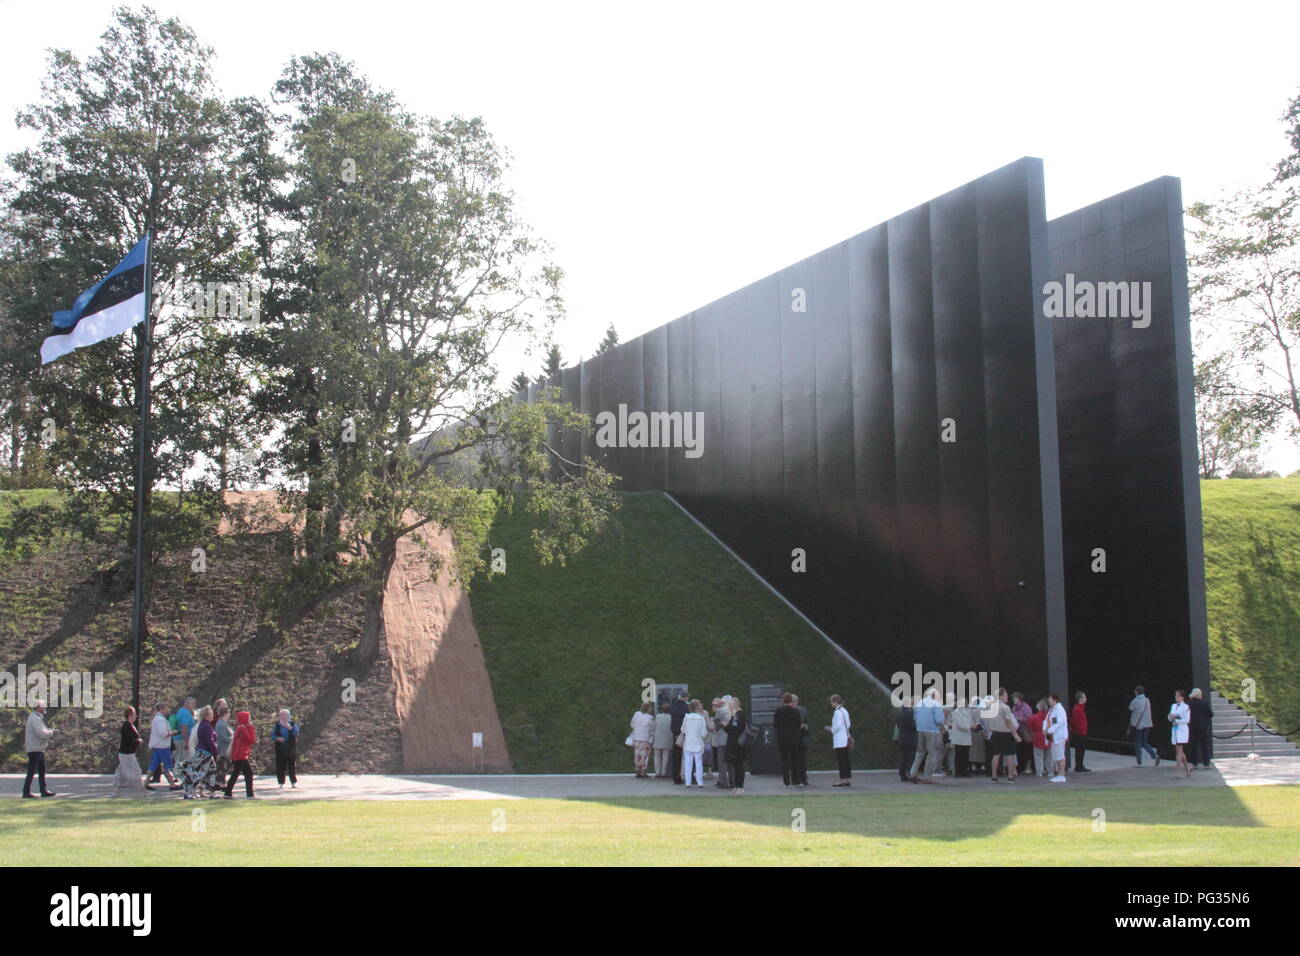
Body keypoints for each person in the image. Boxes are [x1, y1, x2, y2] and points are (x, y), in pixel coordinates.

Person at [181, 705, 220, 799]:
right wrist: (216, 752)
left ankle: (212, 793)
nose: (212, 716)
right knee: (198, 773)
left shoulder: (203, 725)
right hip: (204, 753)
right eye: (211, 714)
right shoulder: (206, 726)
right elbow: (209, 741)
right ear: (206, 715)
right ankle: (189, 793)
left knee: (211, 772)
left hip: (205, 753)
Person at [983, 688, 1021, 783]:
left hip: (995, 733)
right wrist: (1015, 735)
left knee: (996, 755)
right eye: (1005, 695)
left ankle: (994, 777)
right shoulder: (1005, 707)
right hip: (1006, 733)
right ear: (1000, 696)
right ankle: (1010, 776)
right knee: (1009, 755)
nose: (1007, 697)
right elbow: (1008, 722)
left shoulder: (991, 707)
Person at [909, 688, 946, 783]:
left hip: (920, 730)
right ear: (934, 695)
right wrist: (943, 726)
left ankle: (913, 773)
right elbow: (939, 719)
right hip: (931, 731)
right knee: (931, 753)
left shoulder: (920, 702)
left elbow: (914, 717)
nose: (939, 697)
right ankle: (927, 777)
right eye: (938, 695)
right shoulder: (935, 704)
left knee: (920, 753)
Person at [22, 699, 56, 798]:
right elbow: (42, 733)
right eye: (43, 706)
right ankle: (26, 792)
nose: (45, 707)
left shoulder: (35, 718)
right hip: (35, 749)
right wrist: (51, 732)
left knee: (41, 770)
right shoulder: (35, 719)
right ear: (38, 708)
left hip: (37, 748)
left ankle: (43, 790)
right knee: (32, 771)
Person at [145, 703, 180, 791]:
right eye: (166, 709)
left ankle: (146, 782)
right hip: (163, 747)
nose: (167, 711)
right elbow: (164, 734)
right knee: (168, 765)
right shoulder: (160, 720)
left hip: (157, 746)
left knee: (154, 765)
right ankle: (172, 784)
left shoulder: (156, 719)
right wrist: (173, 732)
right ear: (162, 709)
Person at [112, 706, 146, 797]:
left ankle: (115, 792)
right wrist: (138, 741)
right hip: (127, 754)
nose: (136, 716)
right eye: (134, 714)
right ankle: (143, 791)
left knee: (120, 773)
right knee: (136, 771)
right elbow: (129, 740)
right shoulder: (127, 726)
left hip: (127, 753)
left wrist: (137, 741)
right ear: (130, 715)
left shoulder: (131, 725)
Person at [224, 710, 257, 799]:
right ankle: (250, 794)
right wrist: (251, 728)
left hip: (238, 755)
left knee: (235, 773)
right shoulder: (242, 727)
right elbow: (250, 740)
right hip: (240, 755)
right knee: (248, 774)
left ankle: (228, 792)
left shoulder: (241, 727)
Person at [774, 692, 806, 787]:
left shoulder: (778, 711)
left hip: (783, 738)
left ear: (783, 701)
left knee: (785, 760)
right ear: (791, 701)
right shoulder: (796, 711)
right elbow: (799, 724)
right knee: (796, 759)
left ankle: (787, 782)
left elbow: (776, 725)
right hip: (794, 738)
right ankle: (797, 781)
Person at [1129, 685, 1160, 766]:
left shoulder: (1135, 701)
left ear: (1136, 692)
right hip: (1148, 724)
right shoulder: (1147, 700)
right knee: (1144, 742)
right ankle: (1154, 756)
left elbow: (1130, 708)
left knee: (1138, 743)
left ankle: (1139, 763)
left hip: (1138, 725)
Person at [680, 699, 709, 787]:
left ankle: (688, 782)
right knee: (699, 763)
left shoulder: (686, 717)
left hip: (688, 743)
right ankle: (700, 782)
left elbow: (682, 730)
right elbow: (704, 733)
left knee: (688, 762)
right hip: (698, 743)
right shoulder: (701, 718)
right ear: (697, 708)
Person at [826, 694, 852, 786]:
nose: (831, 704)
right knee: (846, 759)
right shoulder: (844, 710)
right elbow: (848, 724)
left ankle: (842, 780)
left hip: (840, 739)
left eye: (831, 702)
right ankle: (847, 779)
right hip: (845, 738)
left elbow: (838, 726)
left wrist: (831, 729)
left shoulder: (837, 712)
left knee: (841, 760)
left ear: (835, 702)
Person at [723, 698, 748, 794]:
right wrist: (725, 726)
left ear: (735, 705)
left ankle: (740, 787)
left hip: (739, 745)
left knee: (739, 766)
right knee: (735, 766)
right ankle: (737, 787)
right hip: (733, 744)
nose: (728, 707)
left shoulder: (741, 715)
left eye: (729, 705)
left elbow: (738, 730)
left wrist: (728, 726)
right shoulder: (733, 715)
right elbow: (730, 730)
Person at [271, 708, 300, 789]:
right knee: (280, 766)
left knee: (291, 766)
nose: (283, 717)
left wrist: (289, 727)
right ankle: (281, 782)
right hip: (280, 748)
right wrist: (278, 738)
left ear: (288, 716)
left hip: (291, 748)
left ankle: (293, 782)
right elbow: (273, 735)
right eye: (281, 715)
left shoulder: (292, 724)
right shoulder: (277, 725)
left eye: (285, 715)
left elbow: (296, 733)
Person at [947, 697, 974, 777]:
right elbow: (959, 724)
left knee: (965, 755)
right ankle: (958, 772)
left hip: (967, 736)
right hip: (959, 736)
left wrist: (973, 725)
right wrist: (969, 726)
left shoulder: (968, 711)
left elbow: (970, 720)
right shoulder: (956, 712)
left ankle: (965, 771)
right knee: (958, 755)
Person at [1045, 692, 1069, 783]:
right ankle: (1058, 774)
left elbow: (1060, 723)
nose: (1048, 700)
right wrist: (1044, 729)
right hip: (1053, 737)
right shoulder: (1051, 709)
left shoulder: (1059, 709)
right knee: (1055, 756)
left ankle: (1062, 775)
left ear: (1055, 700)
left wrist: (1049, 730)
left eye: (1050, 699)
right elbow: (1046, 720)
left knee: (1060, 756)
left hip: (1059, 737)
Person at [1168, 690, 1191, 778]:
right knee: (1179, 750)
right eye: (1176, 696)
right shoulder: (1173, 706)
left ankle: (1178, 770)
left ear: (1182, 697)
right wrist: (1170, 717)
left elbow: (1187, 720)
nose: (1176, 698)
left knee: (1179, 750)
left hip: (1182, 730)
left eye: (1178, 696)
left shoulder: (1186, 707)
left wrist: (1177, 720)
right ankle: (1187, 767)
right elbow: (1170, 717)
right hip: (1174, 730)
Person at [1188, 688, 1213, 768]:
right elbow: (1211, 714)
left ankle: (1194, 763)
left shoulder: (1189, 704)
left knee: (1194, 746)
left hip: (1192, 727)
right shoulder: (1204, 703)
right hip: (1203, 727)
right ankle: (1206, 763)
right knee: (1204, 746)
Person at [1011, 692, 1034, 774]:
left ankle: (1028, 767)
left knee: (1027, 749)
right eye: (1013, 698)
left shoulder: (1026, 707)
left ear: (1020, 699)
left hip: (1025, 731)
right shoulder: (1013, 708)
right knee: (1018, 750)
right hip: (1017, 731)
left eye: (1015, 698)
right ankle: (1020, 768)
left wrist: (1020, 719)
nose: (1014, 700)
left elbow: (1030, 719)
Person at [895, 697, 917, 783]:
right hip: (910, 738)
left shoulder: (899, 712)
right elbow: (913, 725)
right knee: (911, 757)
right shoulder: (910, 712)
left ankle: (902, 774)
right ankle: (911, 774)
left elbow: (898, 724)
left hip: (902, 737)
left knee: (903, 757)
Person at [711, 697, 731, 789]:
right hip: (730, 738)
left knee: (722, 762)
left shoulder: (719, 711)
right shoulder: (732, 711)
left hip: (721, 739)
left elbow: (717, 726)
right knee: (731, 762)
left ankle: (723, 782)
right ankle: (733, 781)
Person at [630, 702, 654, 778]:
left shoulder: (636, 714)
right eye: (650, 707)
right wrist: (651, 738)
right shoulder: (650, 717)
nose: (651, 709)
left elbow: (632, 724)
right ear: (647, 708)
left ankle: (637, 770)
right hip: (645, 739)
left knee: (637, 754)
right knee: (644, 755)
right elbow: (652, 728)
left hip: (636, 738)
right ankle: (643, 771)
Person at [1069, 691, 1090, 772]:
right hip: (1079, 733)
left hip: (1081, 732)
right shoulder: (1078, 709)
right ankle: (1079, 766)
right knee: (1079, 750)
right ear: (1080, 698)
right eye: (1084, 697)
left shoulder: (1080, 708)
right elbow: (1074, 721)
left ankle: (1080, 765)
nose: (1086, 699)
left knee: (1081, 750)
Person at [670, 693, 688, 785]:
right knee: (686, 756)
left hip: (675, 734)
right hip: (683, 734)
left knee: (676, 756)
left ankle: (675, 776)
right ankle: (686, 776)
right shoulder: (685, 706)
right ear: (685, 698)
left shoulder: (673, 706)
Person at [214, 700, 234, 788]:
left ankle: (221, 783)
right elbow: (223, 738)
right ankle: (220, 784)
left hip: (226, 749)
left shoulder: (225, 724)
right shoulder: (221, 724)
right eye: (228, 713)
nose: (229, 715)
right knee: (222, 767)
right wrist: (233, 739)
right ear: (225, 714)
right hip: (223, 750)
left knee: (225, 767)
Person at [1029, 700, 1051, 777]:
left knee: (1038, 756)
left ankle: (1039, 772)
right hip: (1048, 737)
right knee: (1049, 756)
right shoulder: (1051, 716)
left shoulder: (1034, 717)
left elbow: (1031, 727)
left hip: (1038, 737)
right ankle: (1050, 772)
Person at [793, 693, 811, 786]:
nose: (794, 703)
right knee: (795, 759)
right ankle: (796, 779)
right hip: (793, 738)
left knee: (802, 760)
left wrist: (805, 726)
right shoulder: (789, 710)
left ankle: (804, 779)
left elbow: (807, 722)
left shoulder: (803, 709)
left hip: (803, 738)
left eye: (795, 701)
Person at [652, 702, 674, 778]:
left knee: (657, 756)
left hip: (658, 737)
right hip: (667, 738)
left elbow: (654, 727)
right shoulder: (671, 717)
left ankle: (657, 772)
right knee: (665, 756)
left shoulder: (658, 716)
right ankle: (663, 772)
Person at [175, 696, 196, 766]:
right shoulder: (185, 713)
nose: (194, 705)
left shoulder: (180, 711)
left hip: (178, 739)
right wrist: (186, 742)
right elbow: (184, 728)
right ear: (187, 704)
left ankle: (178, 775)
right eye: (193, 703)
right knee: (185, 759)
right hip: (182, 740)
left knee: (179, 758)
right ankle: (182, 775)